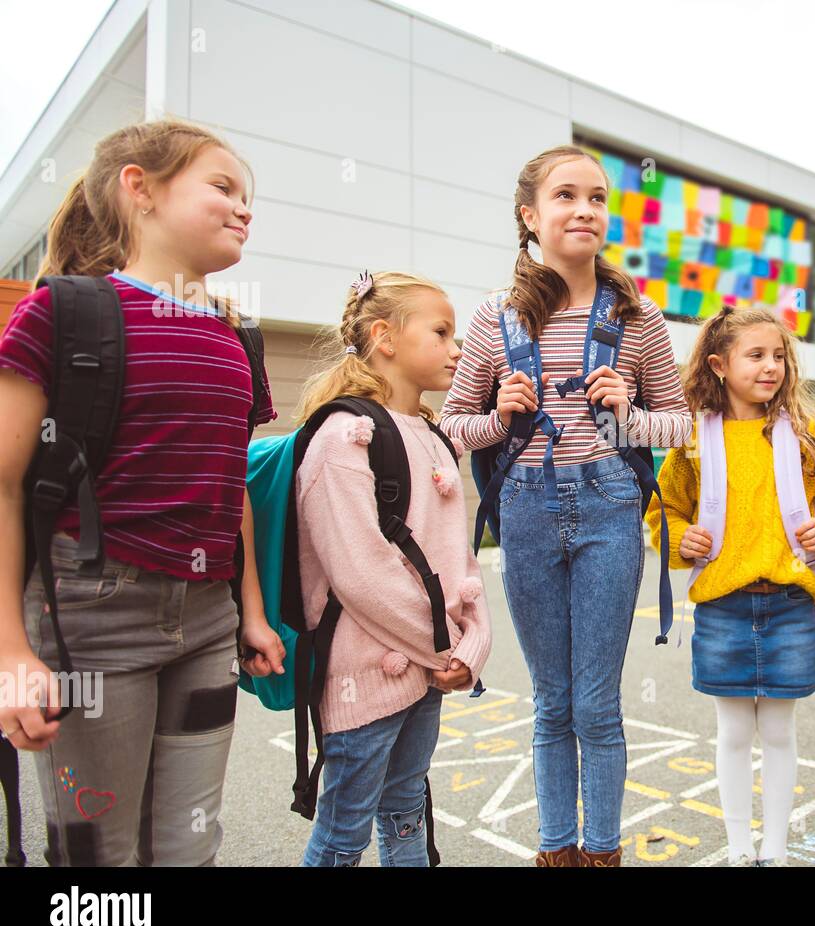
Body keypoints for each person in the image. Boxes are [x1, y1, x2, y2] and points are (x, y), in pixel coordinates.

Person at [0, 119, 284, 866]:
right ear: (140, 190)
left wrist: (249, 611)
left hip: (207, 624)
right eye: (221, 186)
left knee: (190, 847)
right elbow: (2, 486)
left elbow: (234, 489)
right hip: (91, 616)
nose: (243, 207)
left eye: (248, 195)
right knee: (100, 858)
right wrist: (10, 653)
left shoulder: (238, 337)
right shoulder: (63, 311)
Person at [439, 145, 691, 867]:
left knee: (596, 704)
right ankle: (556, 851)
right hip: (524, 507)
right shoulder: (495, 318)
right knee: (551, 704)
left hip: (611, 505)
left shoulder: (638, 317)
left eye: (598, 198)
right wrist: (498, 417)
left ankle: (604, 853)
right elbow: (452, 425)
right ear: (530, 216)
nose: (584, 210)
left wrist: (630, 414)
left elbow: (679, 423)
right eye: (565, 196)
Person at [648, 304, 815, 866]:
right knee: (732, 734)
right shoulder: (695, 439)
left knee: (779, 731)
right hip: (722, 606)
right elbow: (663, 511)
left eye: (778, 356)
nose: (771, 366)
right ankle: (741, 849)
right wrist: (680, 540)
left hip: (792, 603)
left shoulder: (806, 436)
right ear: (719, 365)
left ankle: (775, 849)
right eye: (756, 355)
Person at [296, 270, 491, 867]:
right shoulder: (343, 439)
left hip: (428, 669)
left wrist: (473, 644)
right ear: (385, 336)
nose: (457, 348)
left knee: (408, 808)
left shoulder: (434, 435)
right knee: (343, 831)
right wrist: (445, 650)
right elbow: (361, 574)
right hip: (365, 675)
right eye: (441, 331)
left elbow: (459, 562)